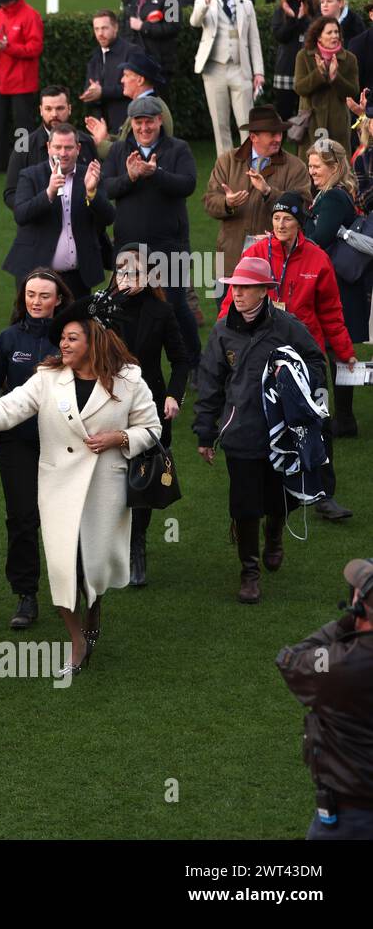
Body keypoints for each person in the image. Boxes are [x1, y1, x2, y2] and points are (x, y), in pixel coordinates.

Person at [0, 291, 161, 673]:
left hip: (105, 487)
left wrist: (121, 438)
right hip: (58, 487)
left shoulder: (129, 379)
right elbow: (10, 407)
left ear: (93, 341)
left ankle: (94, 612)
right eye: (61, 338)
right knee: (64, 567)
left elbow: (151, 427)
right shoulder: (48, 378)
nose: (62, 344)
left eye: (71, 338)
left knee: (94, 569)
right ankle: (77, 641)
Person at [218, 192, 358, 522]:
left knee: (317, 422)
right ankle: (273, 490)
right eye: (277, 218)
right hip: (261, 355)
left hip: (307, 356)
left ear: (300, 223)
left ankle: (324, 495)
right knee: (261, 422)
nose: (280, 224)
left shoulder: (318, 259)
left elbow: (331, 312)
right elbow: (231, 302)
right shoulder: (254, 253)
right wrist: (224, 345)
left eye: (288, 219)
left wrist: (345, 352)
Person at [194, 256, 327, 602]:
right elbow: (209, 383)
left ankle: (276, 534)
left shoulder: (288, 326)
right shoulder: (222, 330)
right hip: (240, 434)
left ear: (265, 291)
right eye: (234, 286)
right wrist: (205, 433)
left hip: (281, 432)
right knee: (244, 504)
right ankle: (249, 572)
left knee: (278, 496)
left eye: (245, 287)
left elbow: (315, 361)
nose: (237, 293)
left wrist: (295, 379)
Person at [0, 269, 69, 629]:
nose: (37, 302)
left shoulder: (72, 340)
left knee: (62, 519)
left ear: (59, 299)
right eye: (31, 295)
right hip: (16, 444)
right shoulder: (8, 339)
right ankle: (26, 595)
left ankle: (68, 590)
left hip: (65, 445)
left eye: (45, 296)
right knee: (23, 518)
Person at [106, 245, 190, 586]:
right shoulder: (103, 311)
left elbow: (181, 359)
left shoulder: (161, 311)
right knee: (110, 474)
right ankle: (112, 543)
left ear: (149, 276)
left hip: (150, 403)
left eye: (135, 273)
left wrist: (173, 394)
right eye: (122, 272)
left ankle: (136, 544)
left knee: (143, 474)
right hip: (107, 402)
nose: (128, 279)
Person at [276, 558, 373, 841]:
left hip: (353, 819)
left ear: (359, 602)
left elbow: (289, 660)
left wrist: (344, 624)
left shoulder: (344, 664)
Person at [100, 96, 201, 364]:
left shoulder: (178, 149)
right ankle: (121, 362)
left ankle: (194, 364)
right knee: (123, 306)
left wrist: (156, 173)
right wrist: (131, 177)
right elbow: (107, 188)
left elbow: (188, 184)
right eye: (138, 122)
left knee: (176, 306)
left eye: (149, 122)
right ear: (131, 124)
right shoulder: (119, 150)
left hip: (170, 244)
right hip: (128, 244)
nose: (144, 128)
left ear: (159, 121)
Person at [4, 123, 115, 300]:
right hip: (37, 275)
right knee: (34, 326)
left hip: (78, 277)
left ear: (78, 149)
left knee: (76, 327)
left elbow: (109, 217)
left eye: (69, 147)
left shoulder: (90, 175)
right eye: (58, 147)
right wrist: (48, 193)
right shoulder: (30, 175)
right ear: (48, 147)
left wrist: (92, 193)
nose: (63, 153)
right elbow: (21, 215)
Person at [202, 104, 310, 275]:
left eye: (280, 133)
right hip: (231, 263)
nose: (278, 139)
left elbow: (303, 207)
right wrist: (227, 203)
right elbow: (209, 201)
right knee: (226, 302)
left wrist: (269, 192)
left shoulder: (296, 167)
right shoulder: (227, 161)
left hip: (274, 265)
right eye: (272, 134)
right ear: (253, 137)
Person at [303, 141, 363, 439]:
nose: (311, 171)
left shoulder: (333, 198)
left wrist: (298, 224)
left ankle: (343, 419)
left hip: (337, 285)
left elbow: (318, 238)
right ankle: (342, 418)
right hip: (339, 283)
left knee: (337, 350)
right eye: (310, 165)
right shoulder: (330, 195)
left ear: (335, 167)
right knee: (335, 350)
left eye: (317, 166)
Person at [191, 0, 265, 157]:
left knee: (246, 123)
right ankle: (225, 169)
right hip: (214, 69)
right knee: (220, 124)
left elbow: (254, 40)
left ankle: (250, 164)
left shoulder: (246, 4)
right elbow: (194, 21)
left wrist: (259, 72)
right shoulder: (203, 2)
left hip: (241, 69)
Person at [0, 0, 44, 174]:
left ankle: (25, 163)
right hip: (0, 81)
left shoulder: (31, 16)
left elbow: (35, 48)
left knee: (22, 127)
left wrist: (7, 47)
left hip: (22, 83)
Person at [4, 85, 100, 211]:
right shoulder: (23, 146)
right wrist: (33, 210)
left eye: (60, 108)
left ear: (69, 109)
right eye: (48, 109)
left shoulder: (86, 142)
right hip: (39, 223)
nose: (54, 114)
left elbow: (99, 186)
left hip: (80, 222)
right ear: (40, 110)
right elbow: (11, 193)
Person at [85, 52, 174, 160]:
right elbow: (127, 143)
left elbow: (130, 155)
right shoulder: (149, 103)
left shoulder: (147, 109)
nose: (122, 80)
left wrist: (98, 144)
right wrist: (107, 137)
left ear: (140, 80)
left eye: (126, 75)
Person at [295, 17, 360, 157]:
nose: (334, 36)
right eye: (329, 33)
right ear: (319, 36)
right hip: (311, 123)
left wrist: (335, 77)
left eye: (336, 32)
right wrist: (319, 74)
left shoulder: (349, 59)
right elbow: (299, 87)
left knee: (338, 168)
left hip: (338, 124)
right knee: (312, 168)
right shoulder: (304, 56)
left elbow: (353, 91)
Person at [122, 0, 182, 85]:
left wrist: (143, 27)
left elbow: (172, 27)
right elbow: (123, 27)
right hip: (134, 63)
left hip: (158, 65)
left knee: (157, 102)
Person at [82, 10, 139, 135]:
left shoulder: (131, 52)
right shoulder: (94, 56)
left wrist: (102, 92)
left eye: (104, 28)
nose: (100, 33)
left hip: (126, 124)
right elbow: (89, 87)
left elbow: (136, 87)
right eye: (96, 29)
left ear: (115, 27)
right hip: (99, 126)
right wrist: (89, 93)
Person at [271, 0, 317, 121]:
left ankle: (305, 146)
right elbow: (280, 36)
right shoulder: (283, 8)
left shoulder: (317, 7)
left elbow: (316, 33)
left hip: (310, 67)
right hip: (286, 67)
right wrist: (292, 20)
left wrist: (302, 18)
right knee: (283, 114)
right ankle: (278, 144)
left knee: (307, 115)